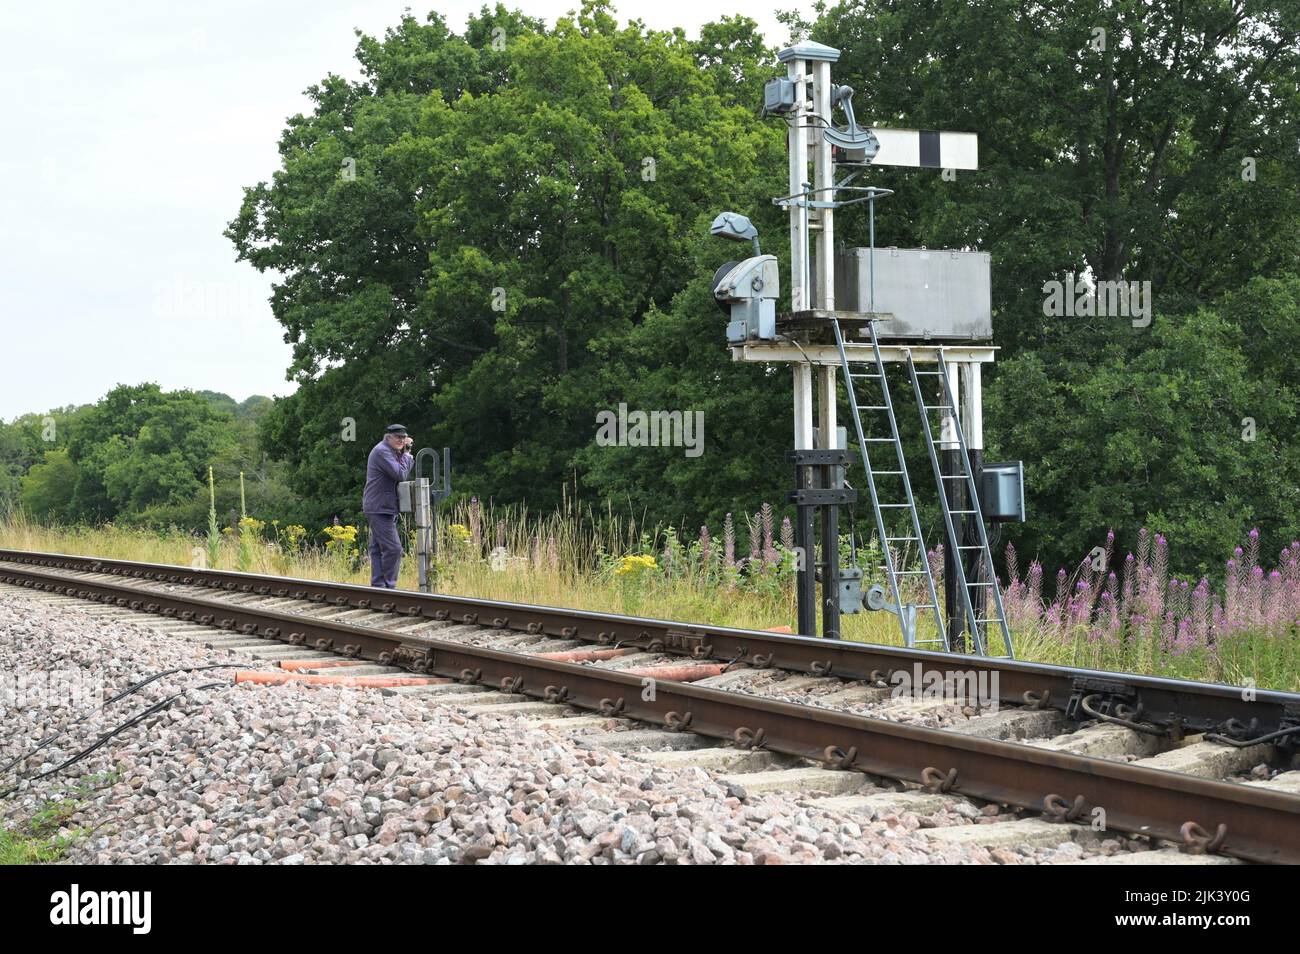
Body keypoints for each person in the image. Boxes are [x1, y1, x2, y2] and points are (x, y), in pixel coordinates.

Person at [362, 424, 414, 587]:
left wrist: (403, 451)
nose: (401, 440)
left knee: (378, 549)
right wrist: (407, 455)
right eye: (397, 437)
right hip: (379, 508)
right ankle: (389, 588)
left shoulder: (390, 451)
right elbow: (400, 474)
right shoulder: (382, 451)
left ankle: (378, 587)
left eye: (403, 437)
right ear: (388, 437)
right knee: (393, 549)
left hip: (383, 507)